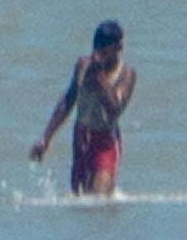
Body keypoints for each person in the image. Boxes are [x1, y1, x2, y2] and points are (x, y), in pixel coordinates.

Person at [29, 20, 136, 196]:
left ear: (117, 48)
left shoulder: (127, 74)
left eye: (104, 51)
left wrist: (100, 82)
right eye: (97, 50)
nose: (98, 56)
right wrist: (45, 139)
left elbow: (115, 110)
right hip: (81, 137)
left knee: (98, 198)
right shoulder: (83, 66)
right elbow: (67, 102)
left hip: (106, 140)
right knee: (80, 199)